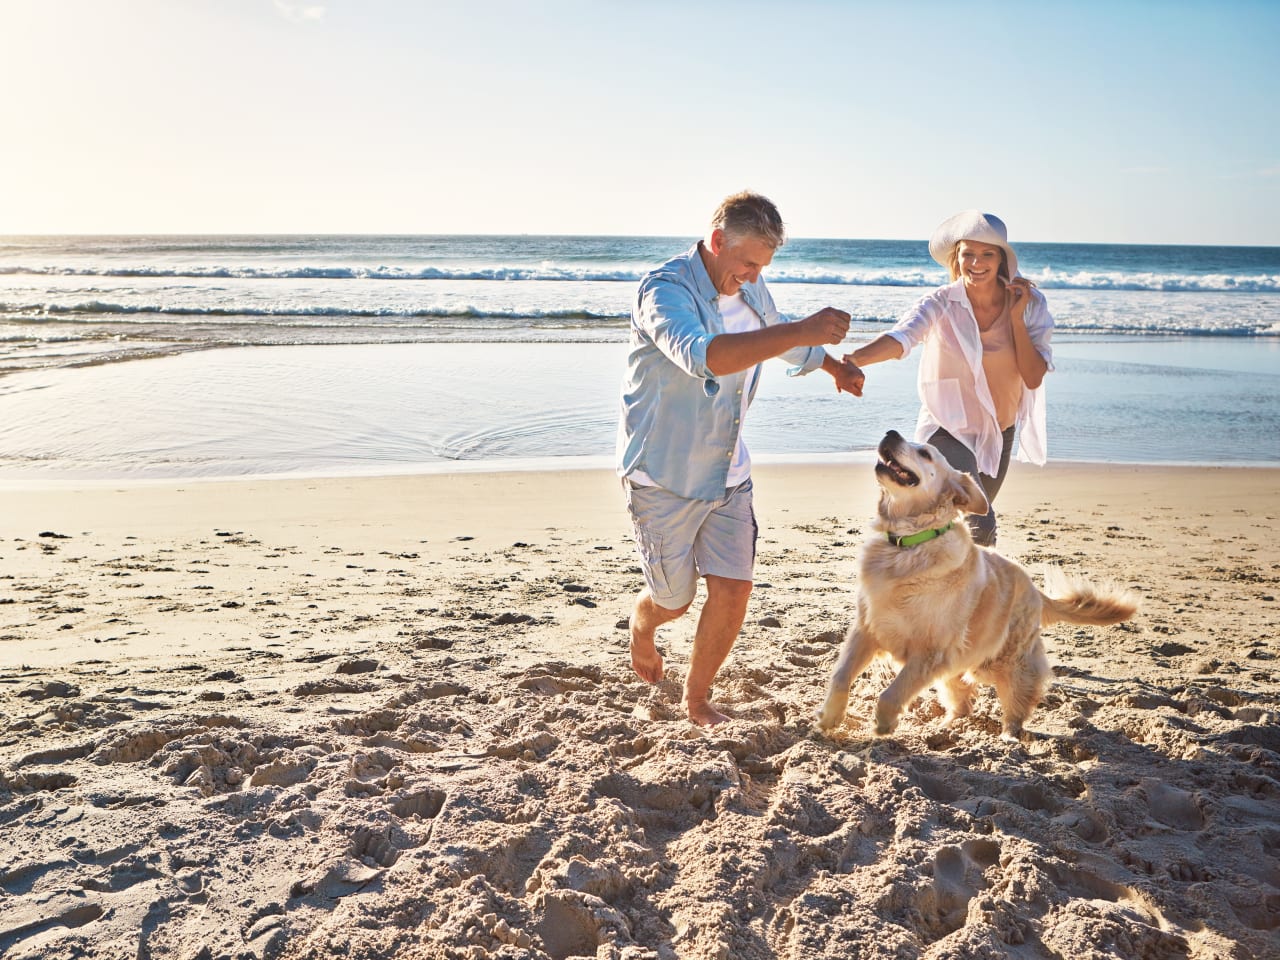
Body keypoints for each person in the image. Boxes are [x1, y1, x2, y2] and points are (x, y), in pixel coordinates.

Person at [617, 190, 865, 726]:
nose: (754, 275)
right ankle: (644, 619)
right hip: (664, 474)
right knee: (675, 602)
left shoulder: (750, 287)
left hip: (729, 469)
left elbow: (776, 339)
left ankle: (697, 698)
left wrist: (831, 366)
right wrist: (801, 329)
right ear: (716, 242)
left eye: (763, 265)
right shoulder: (664, 292)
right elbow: (704, 357)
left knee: (734, 590)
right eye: (748, 262)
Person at [843, 210, 1053, 546]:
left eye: (987, 254)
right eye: (968, 253)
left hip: (1000, 431)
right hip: (948, 427)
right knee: (979, 525)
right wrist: (855, 359)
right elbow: (902, 338)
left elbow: (1032, 376)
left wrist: (1015, 318)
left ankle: (942, 587)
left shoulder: (1030, 306)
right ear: (956, 258)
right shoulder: (940, 303)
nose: (976, 263)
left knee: (959, 529)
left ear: (1001, 260)